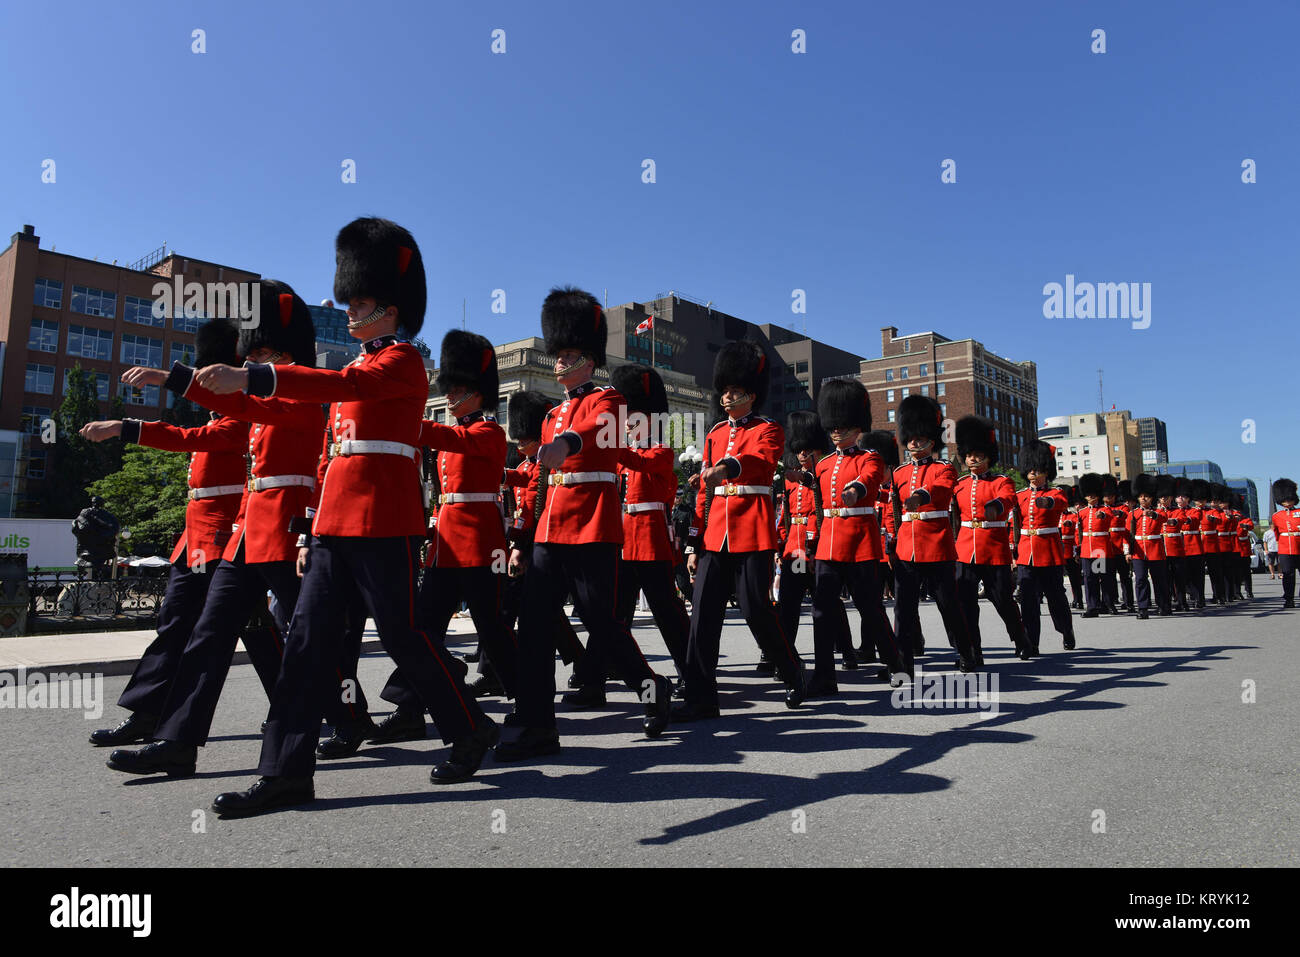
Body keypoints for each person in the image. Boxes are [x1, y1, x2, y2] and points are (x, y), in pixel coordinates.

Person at [201, 218, 499, 816]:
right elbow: (322, 442)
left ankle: (469, 727)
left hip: (384, 521)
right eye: (351, 300)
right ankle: (285, 772)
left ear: (390, 308)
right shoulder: (364, 365)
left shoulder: (402, 363)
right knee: (306, 644)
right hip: (336, 524)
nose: (350, 310)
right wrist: (189, 380)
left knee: (403, 635)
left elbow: (338, 383)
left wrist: (256, 371)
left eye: (360, 302)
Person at [106, 281, 370, 779]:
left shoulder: (300, 395)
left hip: (285, 531)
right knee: (208, 634)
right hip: (247, 529)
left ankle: (350, 715)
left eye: (261, 354)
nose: (252, 364)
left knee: (308, 638)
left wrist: (174, 379)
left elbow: (248, 410)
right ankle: (177, 742)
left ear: (283, 355)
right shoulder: (262, 395)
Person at [494, 287, 673, 761]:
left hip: (593, 524)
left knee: (600, 619)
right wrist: (522, 536)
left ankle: (652, 688)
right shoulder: (552, 414)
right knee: (535, 625)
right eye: (558, 355)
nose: (559, 363)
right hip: (550, 530)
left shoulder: (609, 400)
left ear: (588, 360)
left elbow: (594, 432)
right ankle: (536, 722)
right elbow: (537, 485)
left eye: (569, 355)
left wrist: (568, 444)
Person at [84, 319, 249, 746]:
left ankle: (329, 710)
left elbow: (183, 437)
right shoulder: (223, 415)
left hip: (220, 539)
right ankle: (148, 713)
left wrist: (126, 426)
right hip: (194, 539)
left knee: (243, 634)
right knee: (178, 624)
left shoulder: (241, 419)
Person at [366, 330, 521, 742]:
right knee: (423, 627)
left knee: (493, 627)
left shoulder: (489, 431)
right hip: (445, 545)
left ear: (477, 394)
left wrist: (403, 419)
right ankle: (410, 705)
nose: (450, 397)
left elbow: (449, 437)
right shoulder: (452, 435)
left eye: (458, 391)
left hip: (480, 542)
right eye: (449, 390)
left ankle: (527, 699)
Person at [673, 340, 807, 722]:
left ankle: (791, 669)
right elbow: (704, 490)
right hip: (716, 533)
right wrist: (695, 540)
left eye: (735, 390)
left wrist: (726, 469)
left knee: (755, 608)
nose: (727, 396)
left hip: (753, 530)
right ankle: (700, 695)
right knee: (703, 611)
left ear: (752, 392)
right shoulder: (715, 432)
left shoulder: (769, 429)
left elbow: (757, 461)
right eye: (725, 389)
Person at [569, 364, 690, 702]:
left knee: (667, 611)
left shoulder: (662, 451)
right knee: (610, 615)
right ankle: (593, 682)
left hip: (650, 539)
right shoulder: (623, 453)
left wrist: (604, 443)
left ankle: (693, 673)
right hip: (623, 538)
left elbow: (643, 465)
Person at [807, 379, 906, 695]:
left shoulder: (870, 458)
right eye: (833, 425)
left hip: (861, 546)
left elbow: (869, 480)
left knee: (871, 610)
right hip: (829, 546)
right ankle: (824, 675)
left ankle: (897, 665)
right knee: (822, 611)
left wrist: (855, 491)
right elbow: (821, 508)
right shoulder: (823, 465)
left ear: (857, 426)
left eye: (843, 425)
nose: (836, 430)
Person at [886, 395, 977, 672]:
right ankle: (903, 662)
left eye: (919, 436)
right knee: (903, 609)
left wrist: (921, 496)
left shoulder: (945, 467)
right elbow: (892, 510)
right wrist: (892, 540)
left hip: (936, 546)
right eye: (910, 436)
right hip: (906, 548)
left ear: (931, 438)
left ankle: (965, 652)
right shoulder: (899, 472)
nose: (913, 442)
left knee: (948, 605)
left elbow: (941, 488)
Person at [951, 415, 1030, 661]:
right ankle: (973, 650)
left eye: (978, 454)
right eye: (969, 454)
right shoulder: (960, 484)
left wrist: (997, 505)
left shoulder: (1001, 481)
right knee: (965, 605)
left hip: (993, 549)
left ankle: (1020, 638)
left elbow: (1008, 498)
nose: (972, 459)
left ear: (988, 456)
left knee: (1003, 601)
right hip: (965, 550)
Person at [1013, 440, 1076, 652]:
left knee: (1056, 598)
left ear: (1046, 472)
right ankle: (1031, 642)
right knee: (1028, 601)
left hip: (1049, 552)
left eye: (1038, 469)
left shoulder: (1055, 493)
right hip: (1026, 554)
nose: (1033, 473)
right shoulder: (1020, 496)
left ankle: (1066, 630)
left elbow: (1059, 503)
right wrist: (1014, 553)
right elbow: (1014, 525)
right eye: (1030, 469)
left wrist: (1046, 503)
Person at [775, 411, 828, 664]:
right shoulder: (790, 480)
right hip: (794, 550)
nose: (802, 455)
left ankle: (847, 650)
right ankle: (784, 653)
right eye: (799, 451)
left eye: (807, 450)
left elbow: (820, 511)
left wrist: (813, 543)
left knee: (825, 605)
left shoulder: (823, 476)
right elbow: (786, 516)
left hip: (816, 548)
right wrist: (782, 544)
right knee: (788, 602)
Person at [1128, 473, 1172, 619]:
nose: (1143, 498)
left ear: (1152, 497)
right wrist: (1127, 552)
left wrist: (1153, 515)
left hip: (1155, 550)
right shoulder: (1132, 514)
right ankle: (1143, 608)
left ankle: (1163, 605)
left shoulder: (1159, 512)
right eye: (1141, 496)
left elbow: (1164, 518)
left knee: (1159, 580)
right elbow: (1128, 535)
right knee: (1140, 580)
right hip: (1139, 552)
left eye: (1146, 496)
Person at [1075, 473, 1114, 619]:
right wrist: (1077, 549)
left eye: (1093, 494)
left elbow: (1109, 517)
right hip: (1086, 549)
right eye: (1088, 495)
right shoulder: (1082, 512)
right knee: (1089, 578)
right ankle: (1092, 606)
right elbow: (1078, 532)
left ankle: (1106, 604)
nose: (1091, 497)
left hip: (1099, 549)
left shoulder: (1104, 510)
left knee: (1102, 577)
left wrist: (1102, 516)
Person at [1157, 475, 1188, 612]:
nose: (1164, 499)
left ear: (1171, 497)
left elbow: (1180, 520)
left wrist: (1173, 521)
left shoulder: (1177, 511)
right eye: (1161, 497)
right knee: (1164, 579)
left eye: (1166, 496)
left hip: (1175, 548)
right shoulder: (1155, 512)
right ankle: (1166, 603)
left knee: (1179, 577)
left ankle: (1182, 602)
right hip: (1161, 549)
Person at [71, 496, 119, 581]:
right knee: (84, 559)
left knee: (99, 562)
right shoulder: (85, 511)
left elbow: (114, 527)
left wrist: (106, 535)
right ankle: (81, 577)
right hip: (87, 543)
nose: (95, 504)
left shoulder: (107, 515)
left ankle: (100, 577)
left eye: (97, 502)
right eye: (94, 502)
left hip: (100, 543)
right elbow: (78, 521)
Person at [1177, 478, 1206, 610]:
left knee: (1197, 576)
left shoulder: (1195, 511)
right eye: (1178, 496)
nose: (1181, 498)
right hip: (1179, 547)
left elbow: (1193, 520)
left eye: (1183, 496)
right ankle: (1185, 598)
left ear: (1188, 499)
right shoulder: (1172, 511)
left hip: (1194, 547)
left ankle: (1200, 599)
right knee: (1182, 577)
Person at [1269, 478, 1298, 608]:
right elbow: (1277, 533)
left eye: (1289, 499)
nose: (1287, 502)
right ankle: (1289, 598)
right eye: (1284, 499)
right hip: (1285, 548)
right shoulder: (1276, 516)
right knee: (1287, 574)